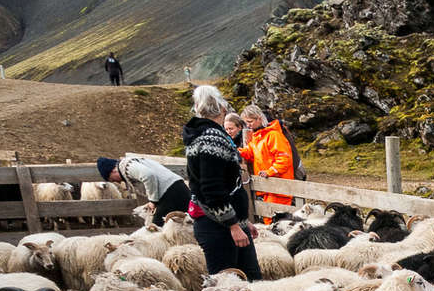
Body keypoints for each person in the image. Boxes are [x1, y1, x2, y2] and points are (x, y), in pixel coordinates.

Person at [182, 85, 260, 279]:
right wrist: (233, 225)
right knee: (228, 286)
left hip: (222, 222)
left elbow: (225, 184)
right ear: (222, 109)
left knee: (250, 279)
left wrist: (242, 221)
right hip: (219, 227)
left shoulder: (201, 135)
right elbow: (212, 188)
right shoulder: (212, 139)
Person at [98, 154, 192, 223]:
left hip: (171, 192)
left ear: (113, 171)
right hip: (176, 188)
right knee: (186, 223)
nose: (117, 182)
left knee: (157, 228)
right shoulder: (134, 162)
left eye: (112, 179)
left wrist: (153, 201)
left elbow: (148, 175)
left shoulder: (127, 166)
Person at [239, 104, 293, 207]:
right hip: (267, 186)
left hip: (278, 187)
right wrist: (235, 151)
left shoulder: (273, 135)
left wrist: (270, 172)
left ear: (259, 118)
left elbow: (284, 158)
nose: (248, 125)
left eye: (250, 122)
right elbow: (250, 152)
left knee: (276, 220)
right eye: (246, 123)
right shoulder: (258, 136)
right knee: (268, 219)